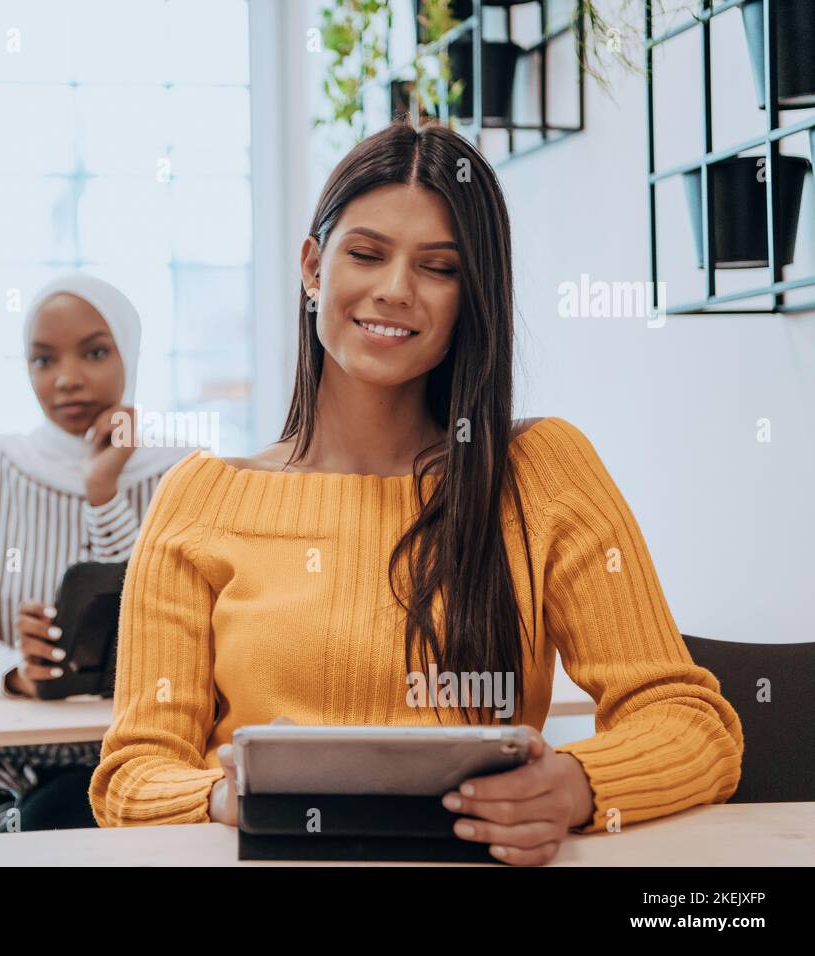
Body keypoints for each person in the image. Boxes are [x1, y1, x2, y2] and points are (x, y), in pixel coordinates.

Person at [90, 123, 744, 866]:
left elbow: (693, 723)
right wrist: (226, 798)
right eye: (366, 254)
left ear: (472, 297)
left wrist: (576, 785)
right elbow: (131, 776)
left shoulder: (540, 471)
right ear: (313, 267)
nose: (395, 290)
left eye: (438, 268)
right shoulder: (200, 501)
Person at [0, 272, 190, 835]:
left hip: (133, 765)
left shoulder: (184, 474)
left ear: (131, 352)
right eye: (43, 361)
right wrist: (19, 671)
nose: (67, 380)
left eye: (94, 352)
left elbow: (151, 630)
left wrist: (103, 494)